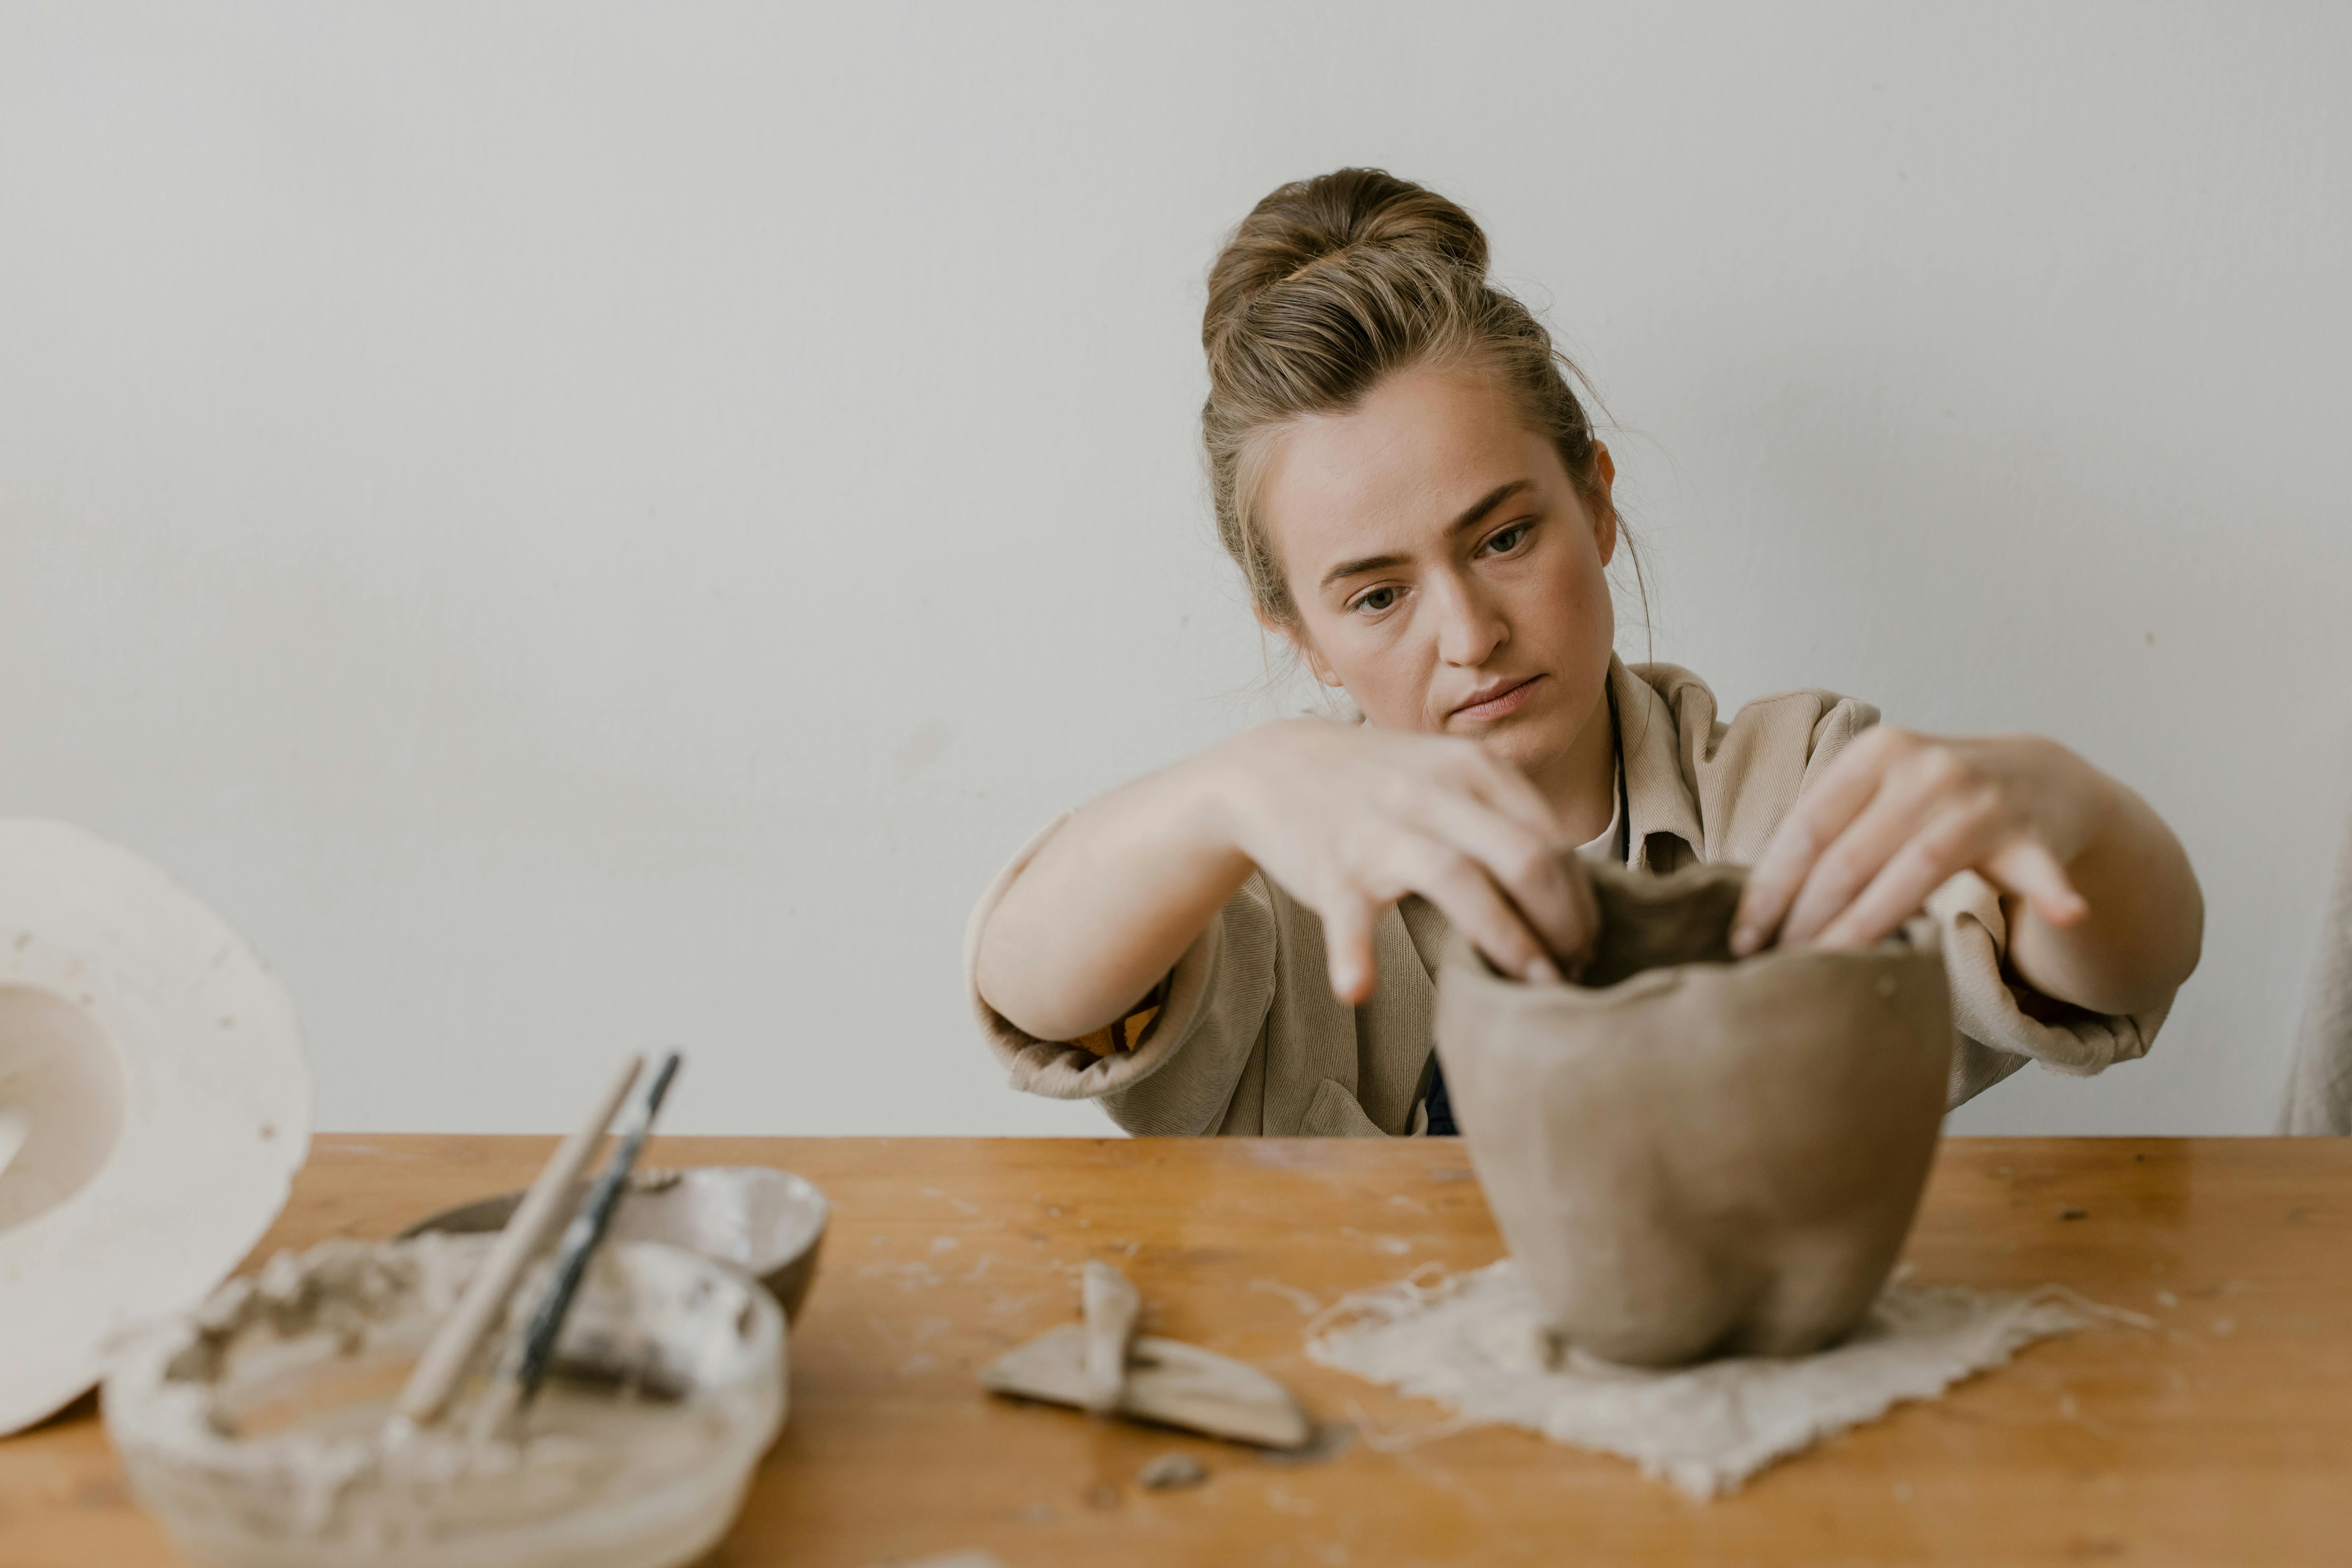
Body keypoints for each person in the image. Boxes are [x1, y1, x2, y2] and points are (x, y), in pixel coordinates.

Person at [966, 167, 2202, 1138]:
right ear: (1303, 640)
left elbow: (2117, 963)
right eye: (1377, 597)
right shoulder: (1267, 899)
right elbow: (1035, 995)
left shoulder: (1796, 789)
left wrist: (2069, 814)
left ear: (1597, 504)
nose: (1469, 635)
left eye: (1503, 536)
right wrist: (1223, 790)